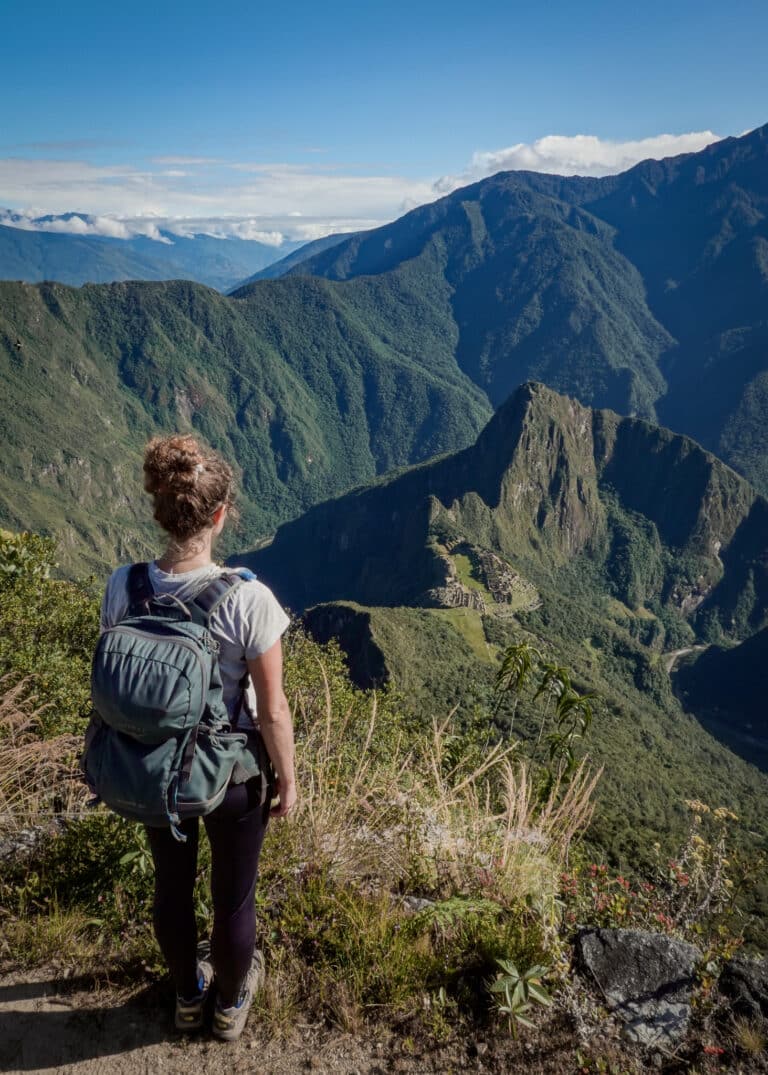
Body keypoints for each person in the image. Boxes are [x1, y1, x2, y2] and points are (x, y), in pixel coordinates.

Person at [99, 433, 297, 1041]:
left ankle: (188, 997)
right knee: (234, 900)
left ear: (160, 511)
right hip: (231, 776)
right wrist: (288, 779)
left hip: (156, 769)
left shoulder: (123, 585)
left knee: (171, 887)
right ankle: (230, 1006)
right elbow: (272, 710)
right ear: (219, 515)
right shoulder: (249, 601)